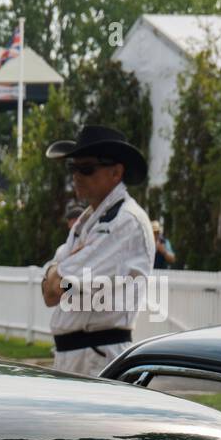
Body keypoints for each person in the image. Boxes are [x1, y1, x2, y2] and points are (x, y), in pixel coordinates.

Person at [40, 125, 154, 377]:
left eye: (87, 168)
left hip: (98, 357)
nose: (76, 176)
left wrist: (60, 275)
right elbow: (49, 294)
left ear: (116, 172)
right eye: (73, 168)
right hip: (80, 355)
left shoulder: (126, 221)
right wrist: (61, 277)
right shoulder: (87, 221)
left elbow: (57, 287)